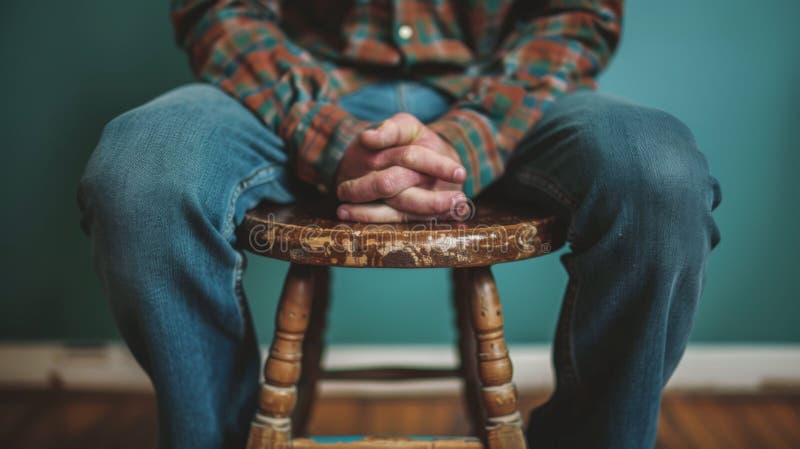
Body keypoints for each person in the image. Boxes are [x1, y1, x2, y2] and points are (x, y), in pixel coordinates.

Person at [77, 1, 721, 448]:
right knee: (141, 173)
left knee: (659, 172)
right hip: (295, 91)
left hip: (508, 90)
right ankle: (225, 438)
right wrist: (330, 136)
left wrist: (468, 137)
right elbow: (221, 11)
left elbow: (578, 16)